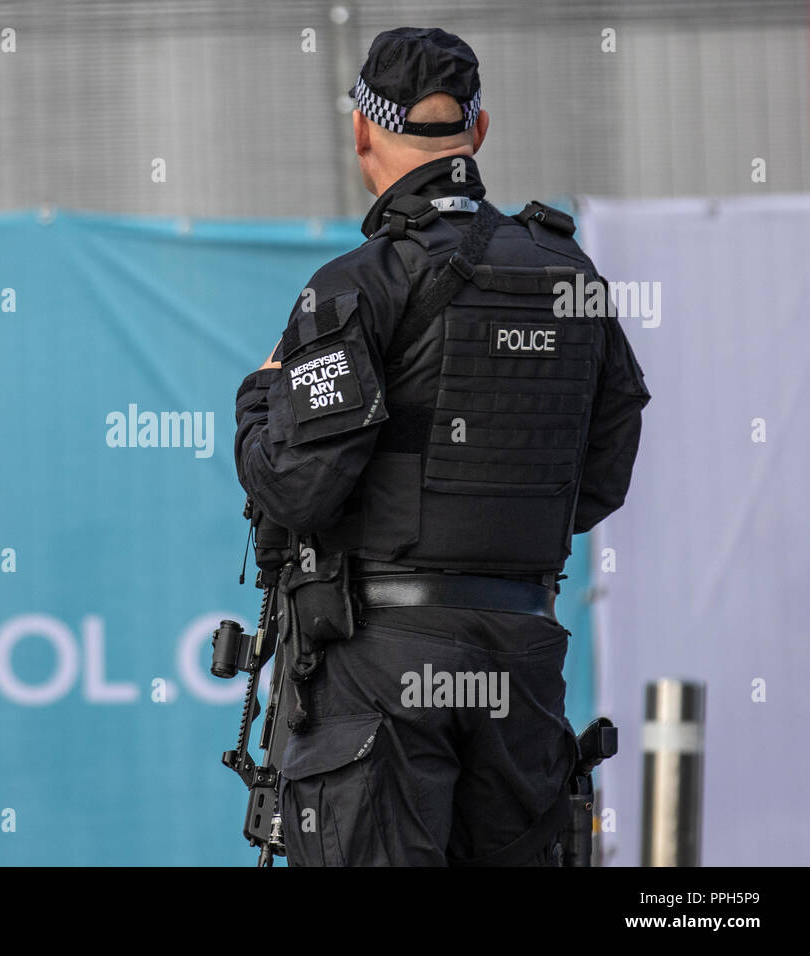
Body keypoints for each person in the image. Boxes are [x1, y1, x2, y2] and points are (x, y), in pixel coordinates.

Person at [233, 28, 649, 866]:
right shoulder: (571, 276)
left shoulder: (358, 284)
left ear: (361, 130)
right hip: (523, 664)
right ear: (478, 130)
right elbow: (599, 482)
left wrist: (259, 396)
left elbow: (297, 488)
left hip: (381, 674)